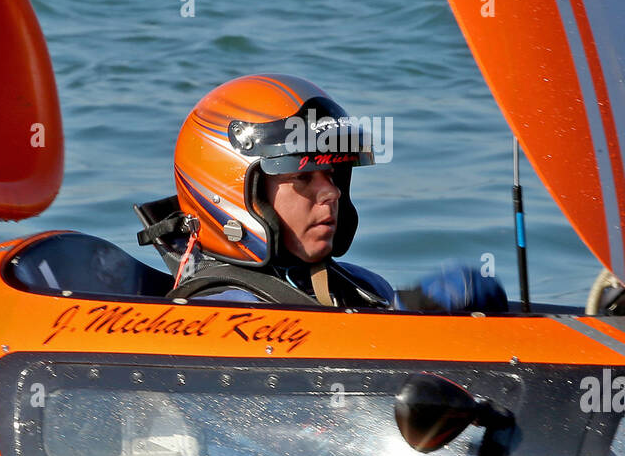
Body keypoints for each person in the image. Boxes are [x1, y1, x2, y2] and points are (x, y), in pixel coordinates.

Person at [136, 74, 508, 311]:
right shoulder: (217, 316)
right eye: (303, 178)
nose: (330, 194)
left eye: (332, 175)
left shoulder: (360, 286)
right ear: (230, 193)